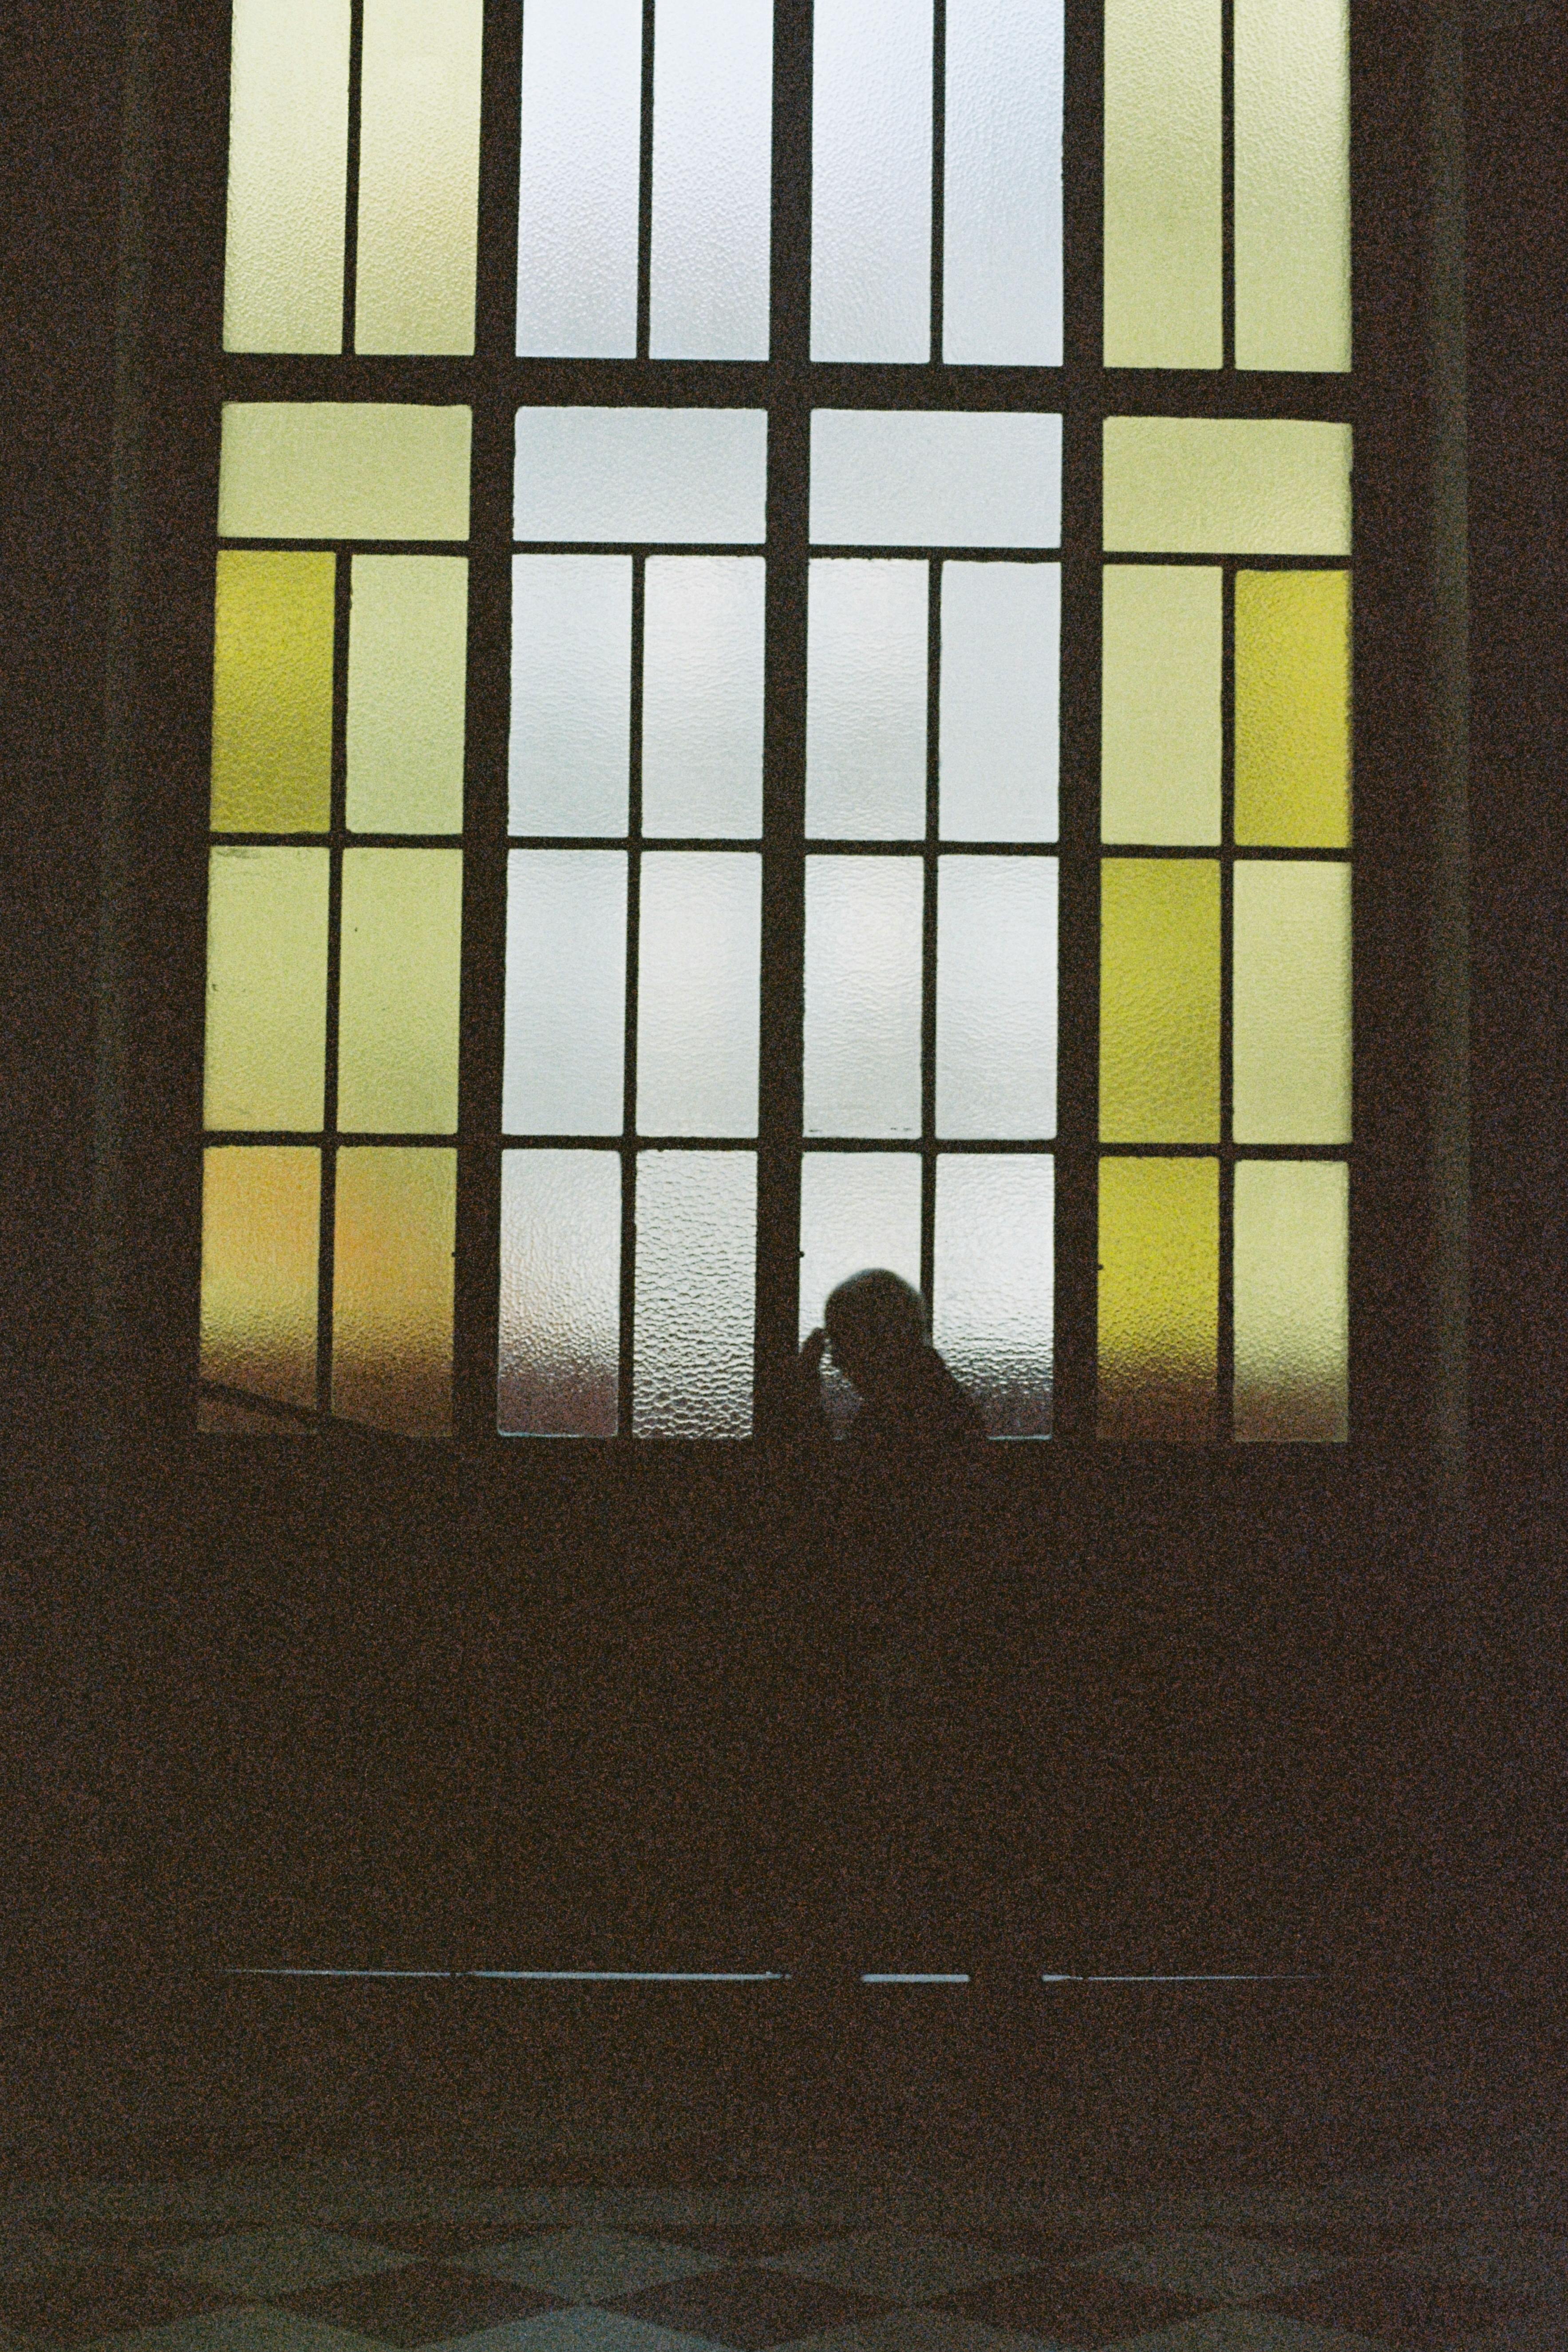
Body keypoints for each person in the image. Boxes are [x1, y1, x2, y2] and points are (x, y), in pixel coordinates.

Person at [798, 1267, 987, 1454]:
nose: (835, 1361)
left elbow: (834, 1470)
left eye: (841, 1342)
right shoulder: (936, 1399)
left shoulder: (898, 1414)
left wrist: (805, 1398)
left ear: (876, 1337)